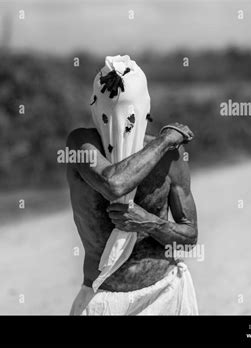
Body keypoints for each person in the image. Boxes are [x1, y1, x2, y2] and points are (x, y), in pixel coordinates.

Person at [66, 55, 198, 315]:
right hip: (105, 298)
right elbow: (114, 185)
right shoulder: (81, 145)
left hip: (165, 293)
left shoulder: (170, 157)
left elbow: (190, 237)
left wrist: (150, 222)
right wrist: (164, 141)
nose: (118, 121)